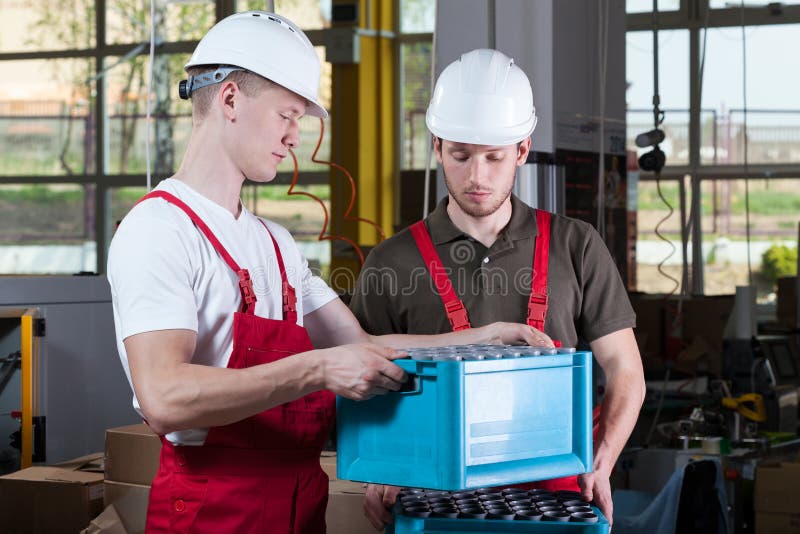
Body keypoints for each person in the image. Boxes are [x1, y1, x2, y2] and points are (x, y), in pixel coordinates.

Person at [107, 15, 547, 534]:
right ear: (229, 100)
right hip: (215, 511)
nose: (296, 136)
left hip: (298, 507)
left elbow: (360, 344)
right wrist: (317, 370)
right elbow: (164, 396)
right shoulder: (159, 229)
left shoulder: (275, 242)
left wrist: (482, 338)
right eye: (287, 115)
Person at [349, 48, 646, 530]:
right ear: (438, 146)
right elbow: (357, 374)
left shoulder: (576, 246)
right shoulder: (391, 261)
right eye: (461, 156)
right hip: (431, 495)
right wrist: (379, 468)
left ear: (522, 151)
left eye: (494, 158)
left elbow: (625, 369)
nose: (478, 177)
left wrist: (604, 459)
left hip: (555, 496)